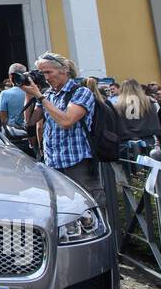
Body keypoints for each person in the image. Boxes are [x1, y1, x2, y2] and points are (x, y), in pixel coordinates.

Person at [21, 52, 102, 203]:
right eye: (41, 73)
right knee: (62, 209)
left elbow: (67, 121)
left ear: (64, 70)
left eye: (48, 72)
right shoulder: (48, 95)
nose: (46, 77)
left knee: (86, 207)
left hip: (77, 162)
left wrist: (40, 97)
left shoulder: (81, 92)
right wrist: (28, 94)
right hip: (53, 162)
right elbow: (30, 121)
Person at [113, 78, 161, 147]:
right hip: (147, 140)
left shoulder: (117, 106)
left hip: (125, 142)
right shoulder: (149, 103)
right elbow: (155, 124)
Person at [0, 63, 28, 129]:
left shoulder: (5, 93)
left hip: (13, 131)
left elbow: (3, 119)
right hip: (30, 129)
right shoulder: (33, 91)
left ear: (10, 76)